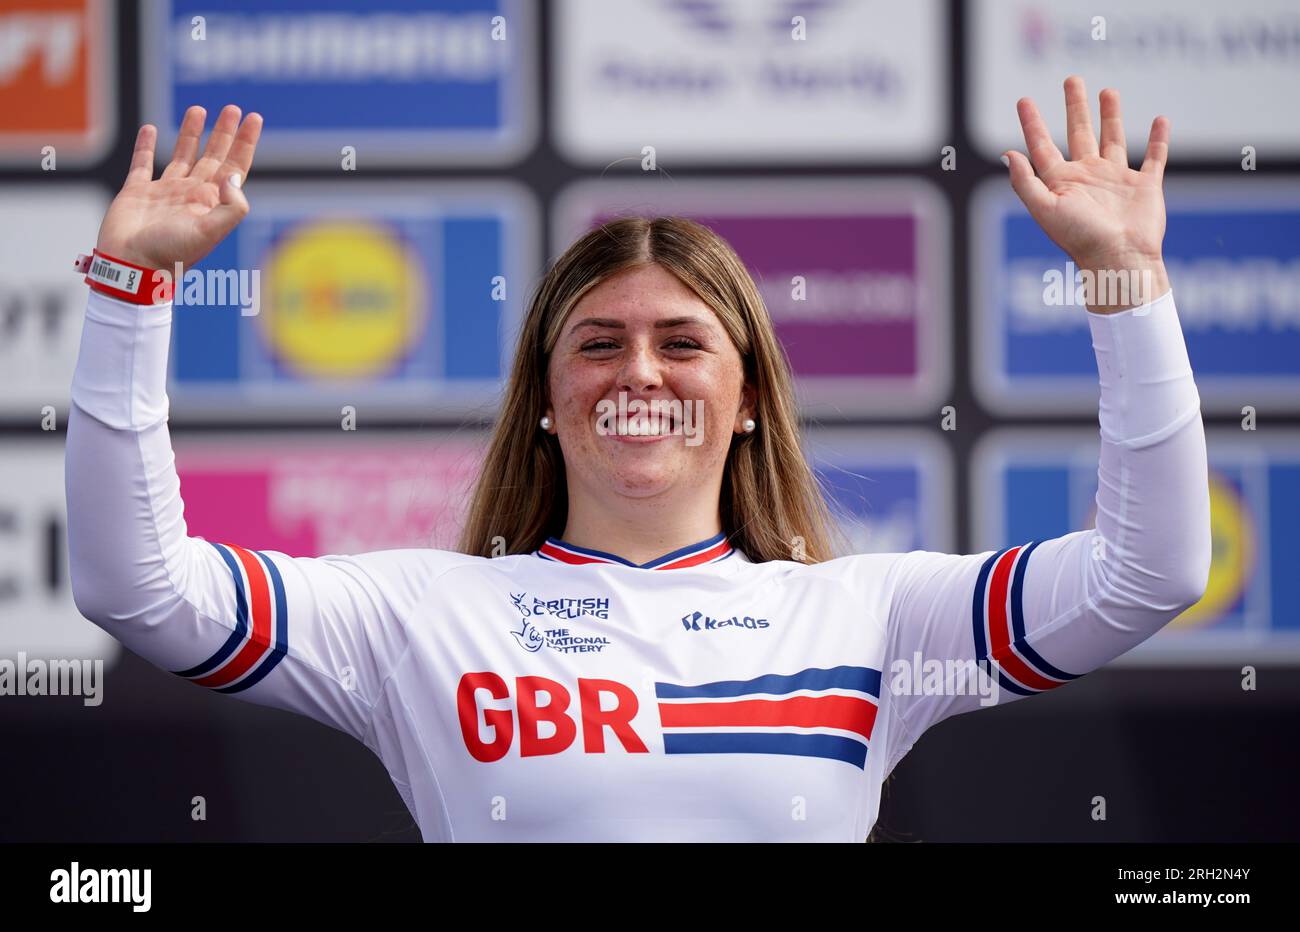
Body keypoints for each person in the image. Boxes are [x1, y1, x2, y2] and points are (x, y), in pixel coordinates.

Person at [65, 77, 1210, 842]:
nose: (640, 375)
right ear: (547, 402)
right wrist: (133, 290)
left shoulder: (871, 615)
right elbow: (141, 585)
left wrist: (1122, 278)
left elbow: (1146, 571)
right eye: (598, 344)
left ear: (750, 395)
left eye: (683, 343)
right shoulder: (418, 611)